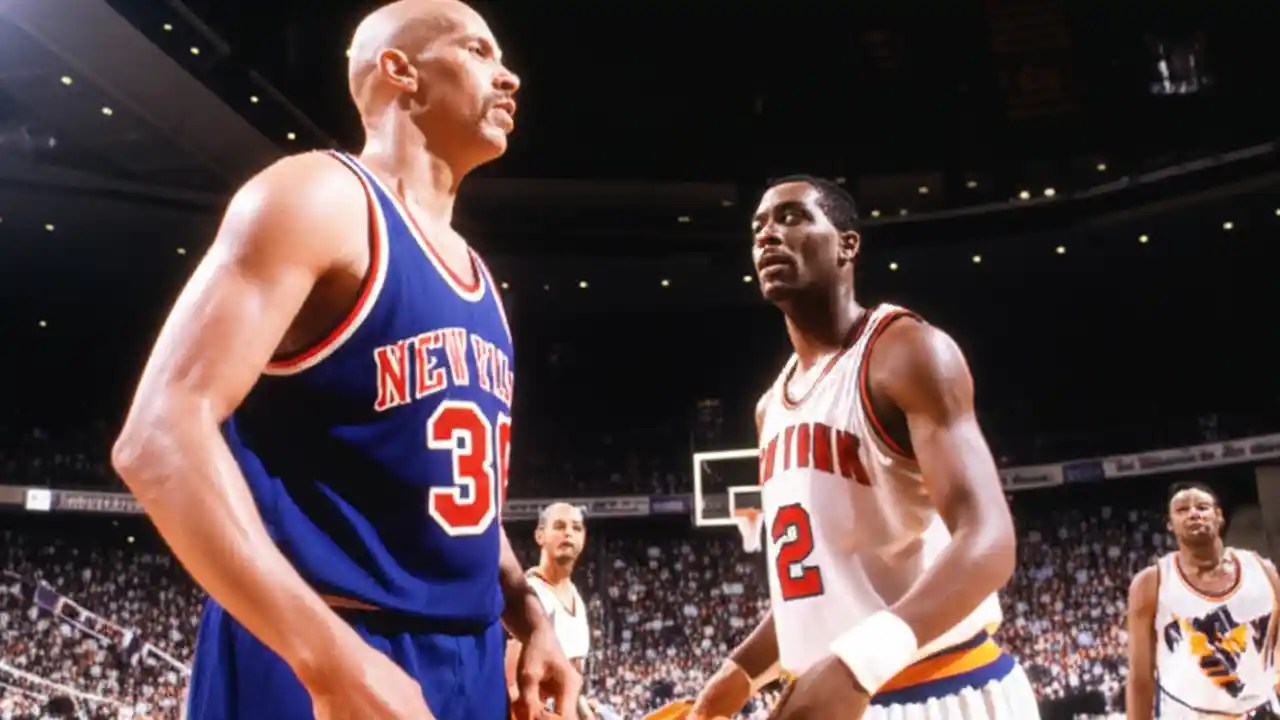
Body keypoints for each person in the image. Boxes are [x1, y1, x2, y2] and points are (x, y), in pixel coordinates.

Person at [110, 1, 580, 718]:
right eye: (478, 51)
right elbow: (157, 436)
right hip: (327, 642)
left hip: (471, 654)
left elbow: (458, 503)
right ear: (400, 70)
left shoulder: (478, 274)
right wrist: (330, 664)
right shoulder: (317, 197)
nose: (509, 76)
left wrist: (529, 614)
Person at [688, 175, 1039, 720]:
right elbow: (821, 588)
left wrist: (859, 663)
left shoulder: (907, 352)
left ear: (847, 244)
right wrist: (735, 676)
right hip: (843, 692)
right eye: (758, 227)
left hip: (944, 689)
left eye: (792, 217)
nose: (768, 235)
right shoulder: (769, 408)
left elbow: (989, 539)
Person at [1126, 483, 1280, 719]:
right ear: (1170, 524)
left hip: (1261, 710)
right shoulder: (1151, 583)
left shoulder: (1261, 568)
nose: (1193, 513)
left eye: (1202, 507)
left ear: (1219, 517)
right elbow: (1140, 678)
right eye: (1182, 510)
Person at [506, 503, 615, 719]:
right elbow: (511, 689)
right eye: (559, 526)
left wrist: (583, 709)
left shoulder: (575, 596)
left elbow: (571, 682)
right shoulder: (529, 595)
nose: (568, 533)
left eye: (576, 528)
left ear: (583, 538)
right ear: (540, 536)